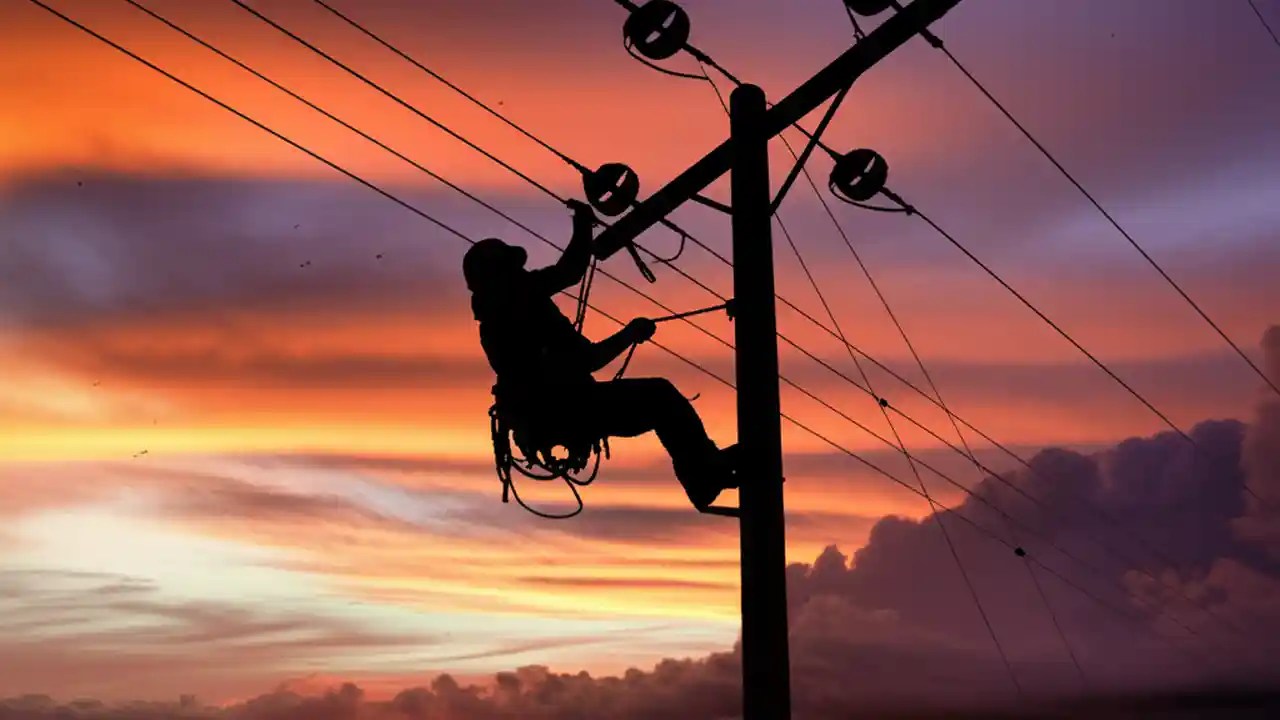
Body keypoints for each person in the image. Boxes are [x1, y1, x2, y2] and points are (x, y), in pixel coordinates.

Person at [464, 200, 736, 510]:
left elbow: (568, 275)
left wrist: (583, 226)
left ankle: (704, 470)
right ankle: (703, 475)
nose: (523, 274)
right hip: (566, 409)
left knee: (659, 399)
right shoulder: (521, 310)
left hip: (552, 412)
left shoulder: (502, 316)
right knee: (660, 397)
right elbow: (586, 352)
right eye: (514, 270)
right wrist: (629, 334)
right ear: (500, 277)